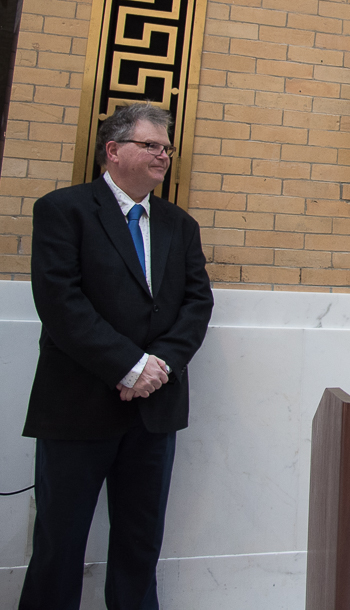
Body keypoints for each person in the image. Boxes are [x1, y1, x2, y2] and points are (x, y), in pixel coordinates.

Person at [18, 103, 214, 609]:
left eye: (167, 148)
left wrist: (159, 366)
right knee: (59, 544)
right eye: (151, 145)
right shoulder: (63, 210)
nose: (163, 156)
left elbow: (196, 304)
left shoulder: (179, 225)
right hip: (78, 408)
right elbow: (62, 303)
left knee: (140, 544)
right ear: (113, 150)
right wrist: (129, 366)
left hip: (153, 411)